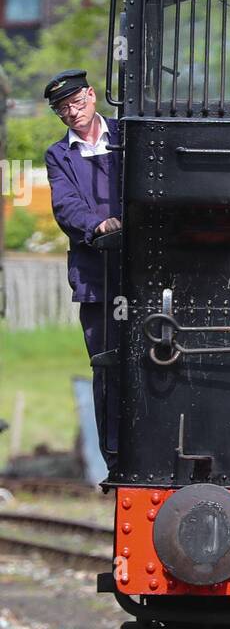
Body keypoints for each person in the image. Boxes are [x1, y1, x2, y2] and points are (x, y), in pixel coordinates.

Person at [43, 71, 121, 476]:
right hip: (96, 278)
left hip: (144, 272)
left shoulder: (127, 136)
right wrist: (100, 226)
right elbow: (66, 206)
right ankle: (115, 456)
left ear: (92, 96)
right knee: (106, 366)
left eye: (75, 103)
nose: (71, 112)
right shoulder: (60, 155)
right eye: (62, 109)